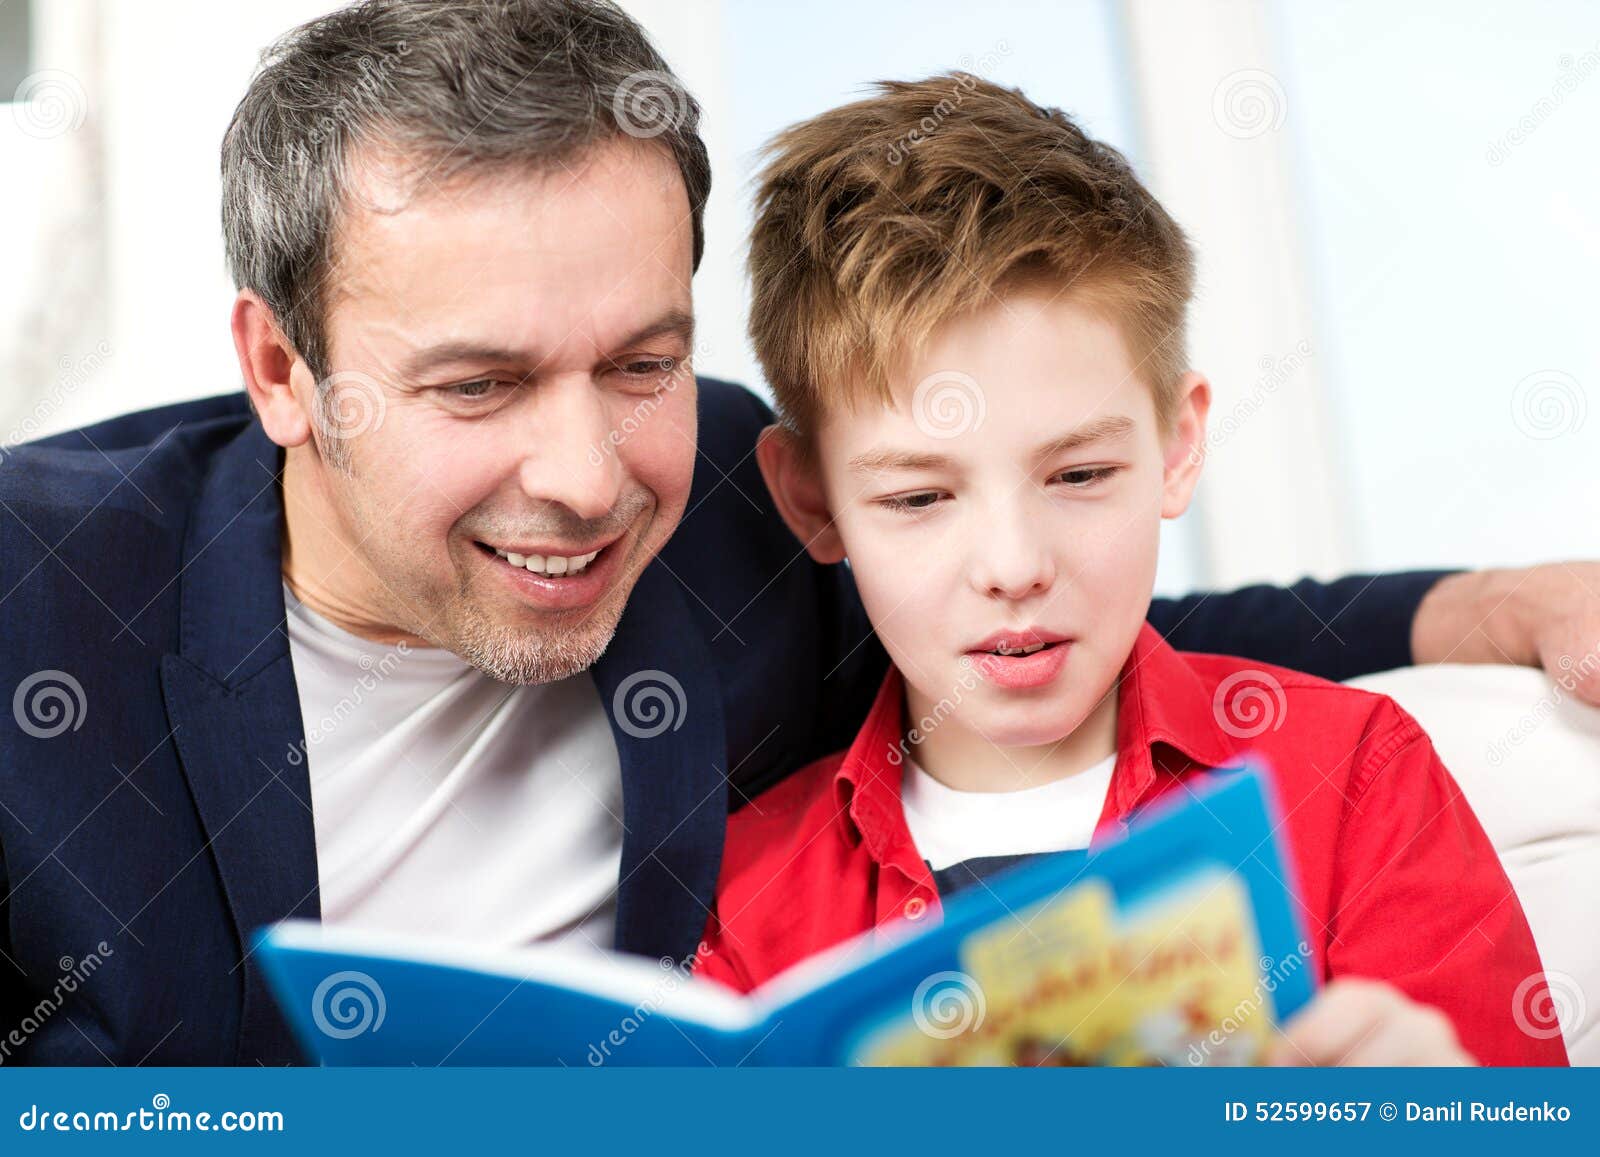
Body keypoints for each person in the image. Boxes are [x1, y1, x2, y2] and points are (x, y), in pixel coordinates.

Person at [0, 1, 1590, 1066]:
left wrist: (1486, 601)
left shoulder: (753, 527)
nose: (586, 478)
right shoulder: (35, 605)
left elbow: (1071, 600)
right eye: (479, 385)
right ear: (284, 369)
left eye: (641, 363)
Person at [694, 74, 1569, 1067]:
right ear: (812, 499)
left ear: (1177, 445)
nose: (1014, 567)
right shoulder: (741, 891)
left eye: (1077, 473)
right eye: (918, 498)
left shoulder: (1357, 775)